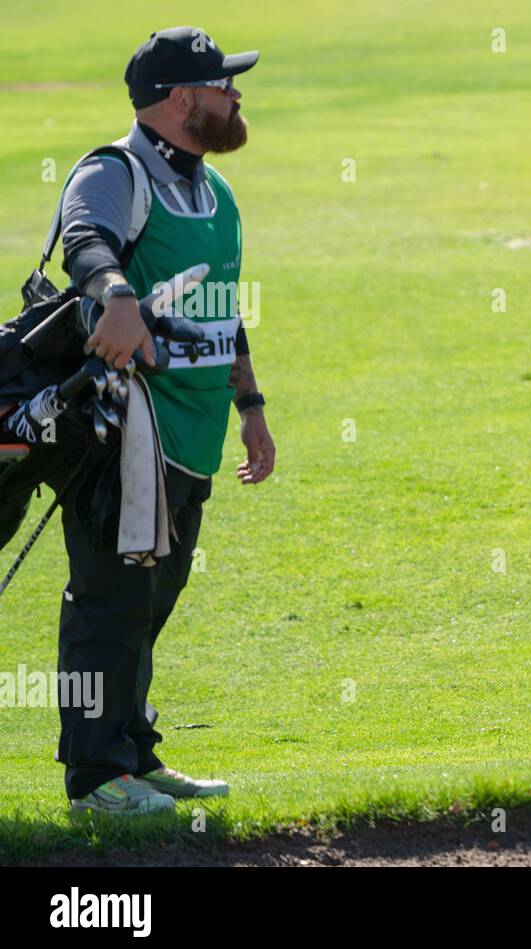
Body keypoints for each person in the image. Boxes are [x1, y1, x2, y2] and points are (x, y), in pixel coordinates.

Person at [55, 26, 276, 813]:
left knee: (151, 602)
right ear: (183, 99)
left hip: (192, 438)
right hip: (124, 429)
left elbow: (223, 310)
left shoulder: (215, 192)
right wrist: (115, 293)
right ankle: (94, 779)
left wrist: (249, 406)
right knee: (109, 599)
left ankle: (133, 755)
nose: (235, 96)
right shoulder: (117, 171)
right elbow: (84, 239)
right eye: (223, 85)